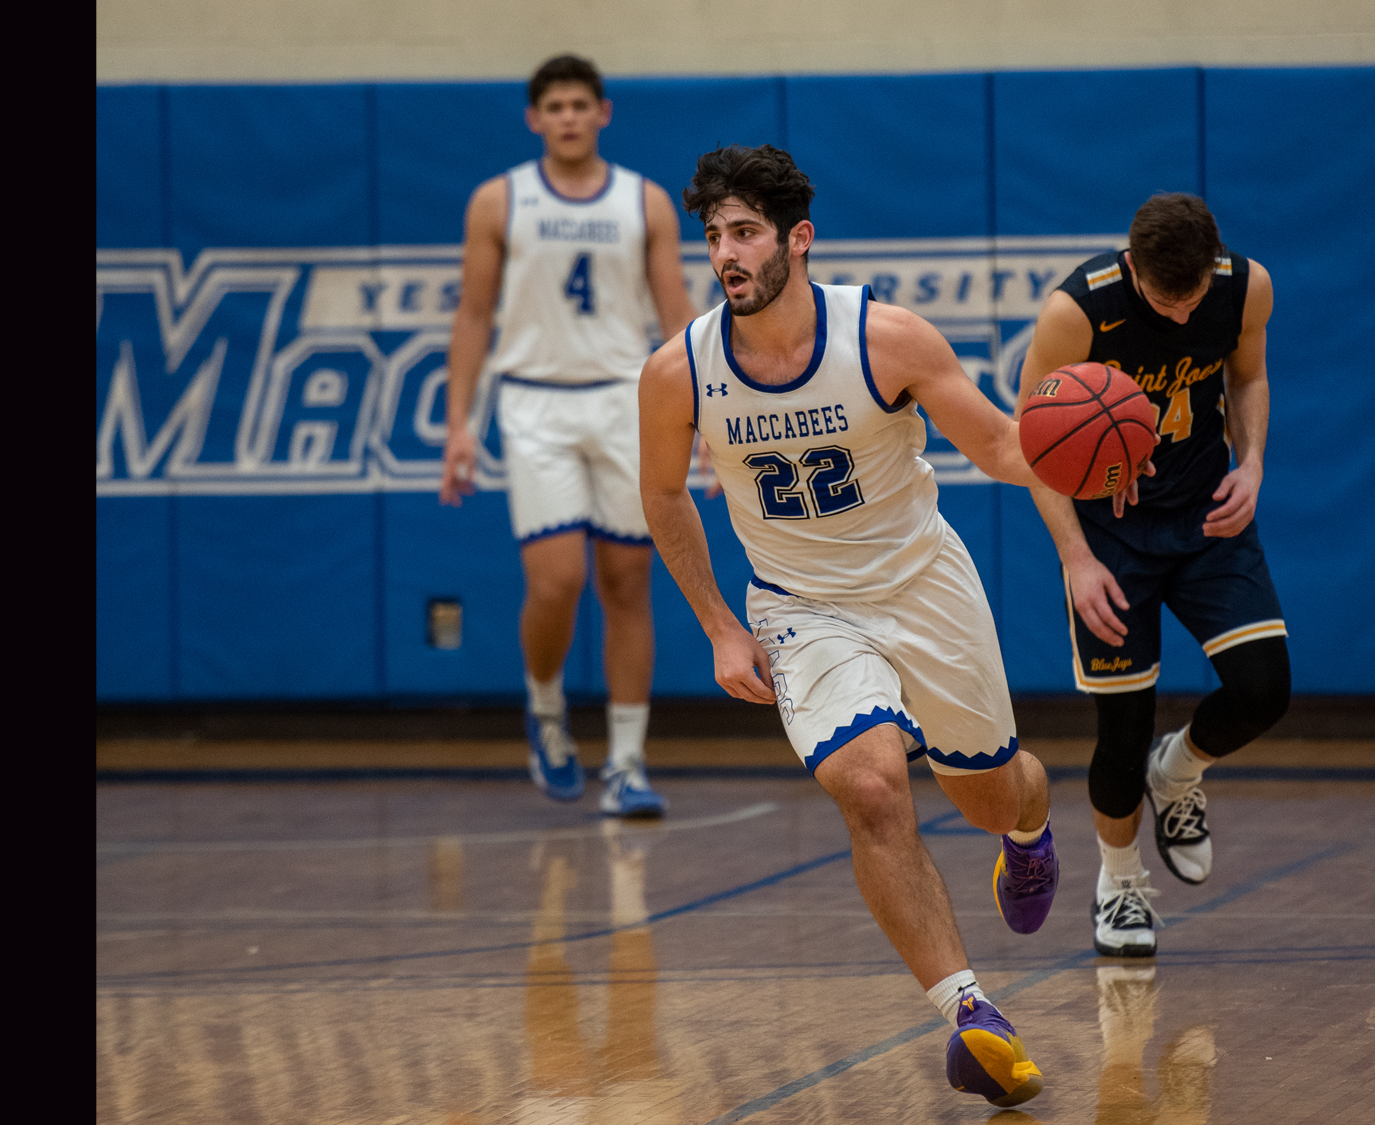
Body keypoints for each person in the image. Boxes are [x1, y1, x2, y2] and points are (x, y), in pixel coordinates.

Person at [640, 144, 1058, 1108]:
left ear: (798, 238)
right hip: (801, 606)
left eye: (744, 232)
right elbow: (663, 494)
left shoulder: (887, 339)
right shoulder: (680, 373)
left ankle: (1030, 826)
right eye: (713, 236)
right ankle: (969, 1012)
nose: (726, 254)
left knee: (990, 795)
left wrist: (1091, 465)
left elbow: (997, 445)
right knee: (869, 786)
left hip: (923, 584)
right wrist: (718, 625)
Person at [1015, 193, 1290, 956]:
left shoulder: (1247, 286)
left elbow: (1248, 379)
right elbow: (1030, 443)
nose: (1176, 317)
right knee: (1121, 733)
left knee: (1265, 687)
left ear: (1215, 268)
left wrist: (1254, 463)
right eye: (1162, 301)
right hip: (1111, 538)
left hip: (1205, 513)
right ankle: (1118, 883)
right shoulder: (1077, 313)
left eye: (1190, 298)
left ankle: (1181, 770)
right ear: (1132, 267)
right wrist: (1076, 557)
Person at [440, 55, 697, 817]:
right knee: (557, 581)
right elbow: (474, 315)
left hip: (625, 399)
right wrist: (460, 422)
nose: (569, 116)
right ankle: (547, 711)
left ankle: (626, 760)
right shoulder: (499, 199)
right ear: (534, 118)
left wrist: (705, 420)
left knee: (628, 582)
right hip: (535, 402)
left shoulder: (644, 200)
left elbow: (677, 316)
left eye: (581, 104)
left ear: (604, 112)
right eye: (554, 105)